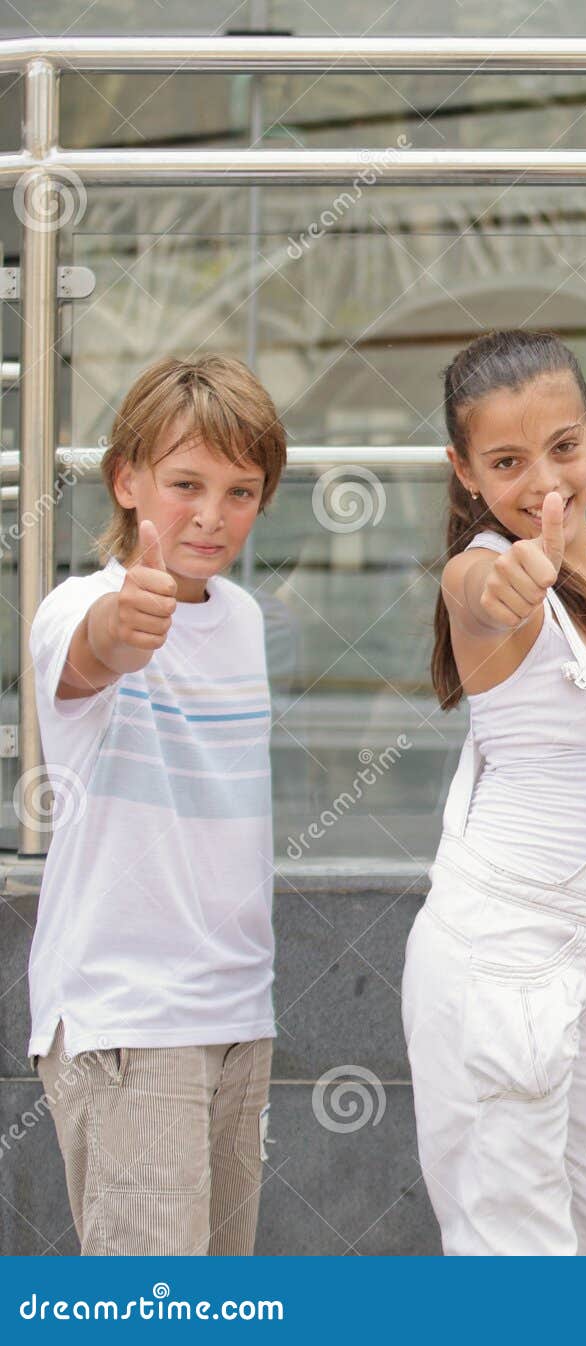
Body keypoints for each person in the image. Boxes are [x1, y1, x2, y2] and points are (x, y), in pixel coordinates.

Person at [402, 329, 586, 1255]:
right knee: (514, 1253)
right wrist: (515, 579)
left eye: (564, 447)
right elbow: (483, 594)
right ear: (464, 470)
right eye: (507, 461)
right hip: (502, 957)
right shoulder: (475, 573)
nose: (545, 483)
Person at [29, 355, 286, 1255]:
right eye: (185, 484)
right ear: (127, 480)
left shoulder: (247, 618)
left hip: (237, 1011)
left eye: (241, 491)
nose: (212, 516)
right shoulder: (80, 605)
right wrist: (122, 628)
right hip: (131, 1017)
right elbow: (94, 652)